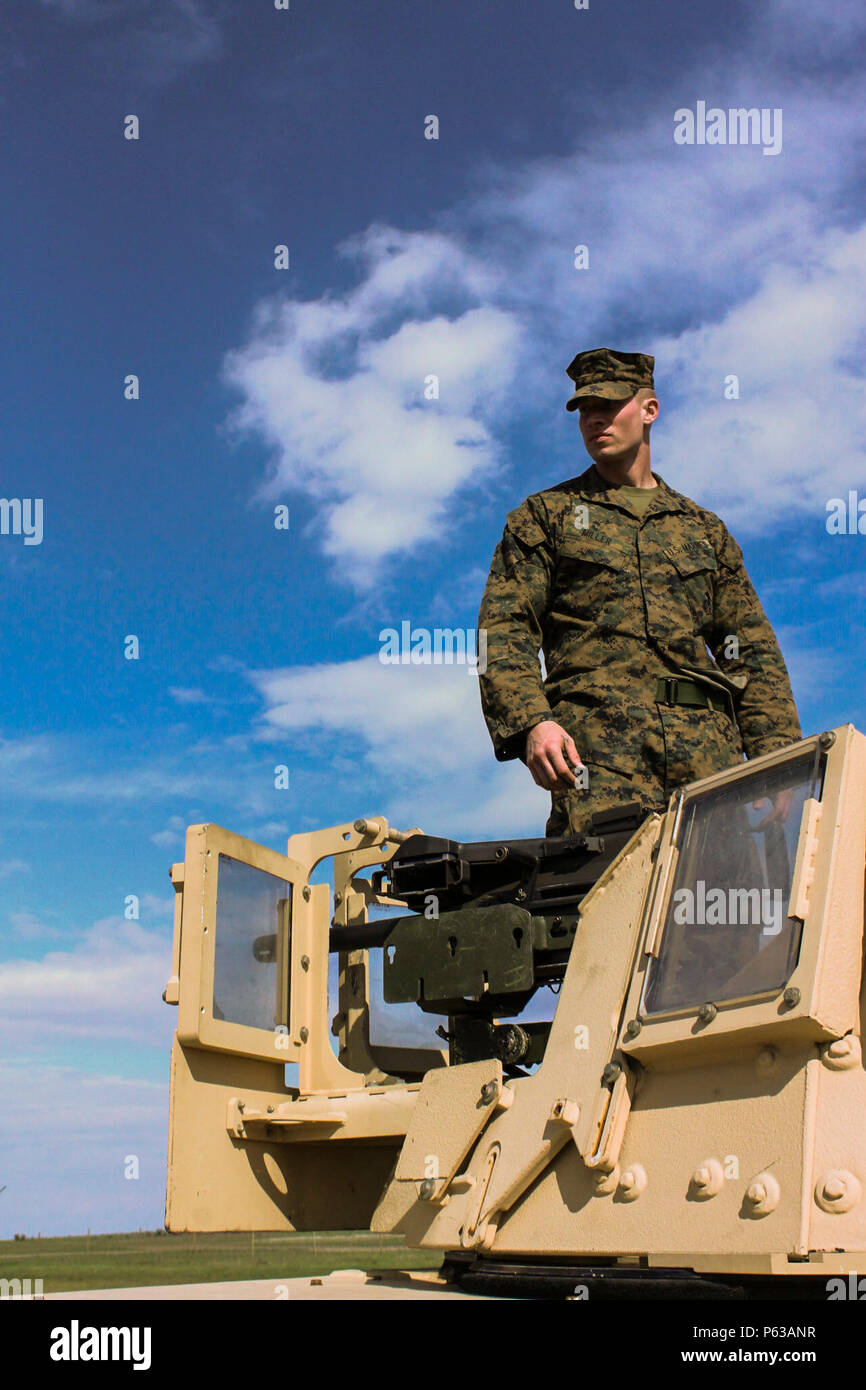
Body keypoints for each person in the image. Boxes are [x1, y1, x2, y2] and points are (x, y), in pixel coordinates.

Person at [477, 347, 801, 837]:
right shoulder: (546, 517)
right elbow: (504, 631)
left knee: (722, 905)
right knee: (607, 900)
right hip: (599, 757)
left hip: (710, 757)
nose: (594, 419)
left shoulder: (703, 530)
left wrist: (777, 755)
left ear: (650, 409)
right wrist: (531, 723)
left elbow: (750, 649)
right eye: (585, 409)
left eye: (608, 405)